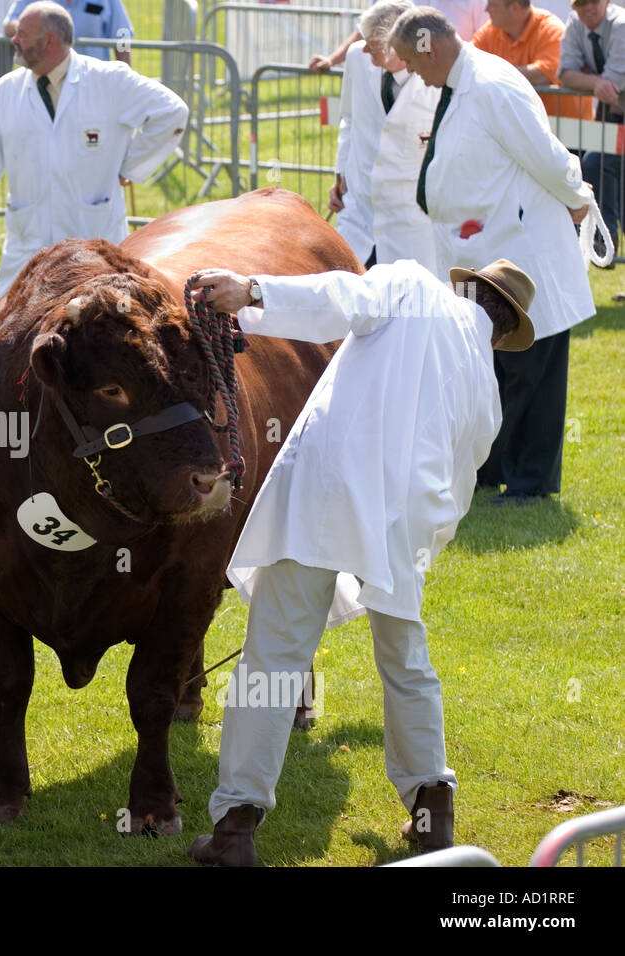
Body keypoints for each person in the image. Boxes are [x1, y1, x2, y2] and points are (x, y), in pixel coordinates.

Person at [185, 257, 536, 867]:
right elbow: (456, 493)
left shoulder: (410, 285)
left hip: (327, 496)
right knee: (407, 662)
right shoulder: (488, 388)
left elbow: (342, 296)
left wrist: (253, 290)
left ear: (470, 287)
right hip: (404, 532)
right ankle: (432, 817)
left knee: (274, 658)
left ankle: (235, 831)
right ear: (504, 333)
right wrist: (408, 547)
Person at [392, 7, 593, 504]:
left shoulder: (492, 86)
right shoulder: (464, 85)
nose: (413, 74)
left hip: (522, 248)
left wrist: (577, 197)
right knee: (494, 367)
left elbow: (546, 156)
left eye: (411, 62)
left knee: (533, 369)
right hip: (485, 249)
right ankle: (493, 467)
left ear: (429, 48)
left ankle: (531, 481)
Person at [0, 1, 187, 296]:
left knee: (99, 333)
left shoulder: (109, 81)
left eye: (22, 34)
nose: (13, 39)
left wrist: (131, 165)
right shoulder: (6, 92)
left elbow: (172, 112)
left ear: (48, 41)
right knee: (11, 336)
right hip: (27, 251)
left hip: (95, 250)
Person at [329, 0, 439, 272]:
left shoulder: (434, 77)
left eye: (374, 46)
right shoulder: (357, 57)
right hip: (360, 208)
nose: (365, 49)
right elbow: (349, 119)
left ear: (398, 48)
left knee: (405, 302)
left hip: (410, 218)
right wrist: (341, 174)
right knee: (350, 295)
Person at [559, 0, 625, 258]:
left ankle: (604, 242)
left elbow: (614, 82)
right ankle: (605, 243)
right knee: (595, 164)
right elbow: (564, 73)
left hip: (614, 118)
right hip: (612, 119)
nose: (588, 8)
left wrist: (589, 78)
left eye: (594, 1)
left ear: (607, 1)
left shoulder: (621, 25)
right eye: (580, 3)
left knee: (596, 163)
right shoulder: (575, 22)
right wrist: (596, 81)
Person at [473, 0, 592, 123]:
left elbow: (543, 75)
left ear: (514, 7)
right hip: (525, 127)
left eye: (492, 5)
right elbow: (468, 61)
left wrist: (493, 75)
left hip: (568, 131)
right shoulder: (491, 30)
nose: (486, 9)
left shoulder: (550, 29)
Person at [309, 0, 486, 72]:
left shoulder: (475, 2)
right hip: (402, 79)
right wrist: (332, 59)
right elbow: (368, 27)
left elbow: (485, 42)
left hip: (454, 81)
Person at [3, 0, 132, 63]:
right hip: (47, 77)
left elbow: (122, 33)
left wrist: (125, 79)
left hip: (93, 79)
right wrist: (35, 28)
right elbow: (9, 25)